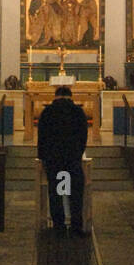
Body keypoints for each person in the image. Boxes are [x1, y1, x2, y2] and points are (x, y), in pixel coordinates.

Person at [37, 85, 89, 236]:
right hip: (72, 158)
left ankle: (58, 226)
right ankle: (76, 226)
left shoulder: (47, 112)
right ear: (70, 96)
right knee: (75, 192)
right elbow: (83, 136)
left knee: (57, 192)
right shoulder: (78, 111)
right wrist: (78, 153)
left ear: (56, 96)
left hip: (54, 159)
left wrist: (42, 157)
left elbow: (42, 137)